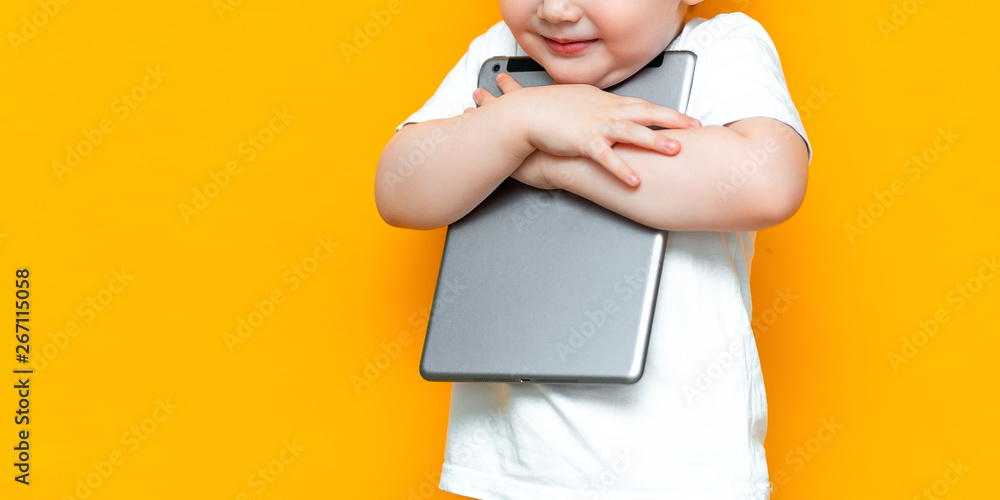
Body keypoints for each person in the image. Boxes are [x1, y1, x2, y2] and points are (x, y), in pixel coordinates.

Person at [374, 0, 812, 498]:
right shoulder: (500, 51)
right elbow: (399, 189)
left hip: (683, 469)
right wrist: (518, 120)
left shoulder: (718, 47)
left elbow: (766, 181)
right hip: (516, 470)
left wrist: (552, 162)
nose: (556, 10)